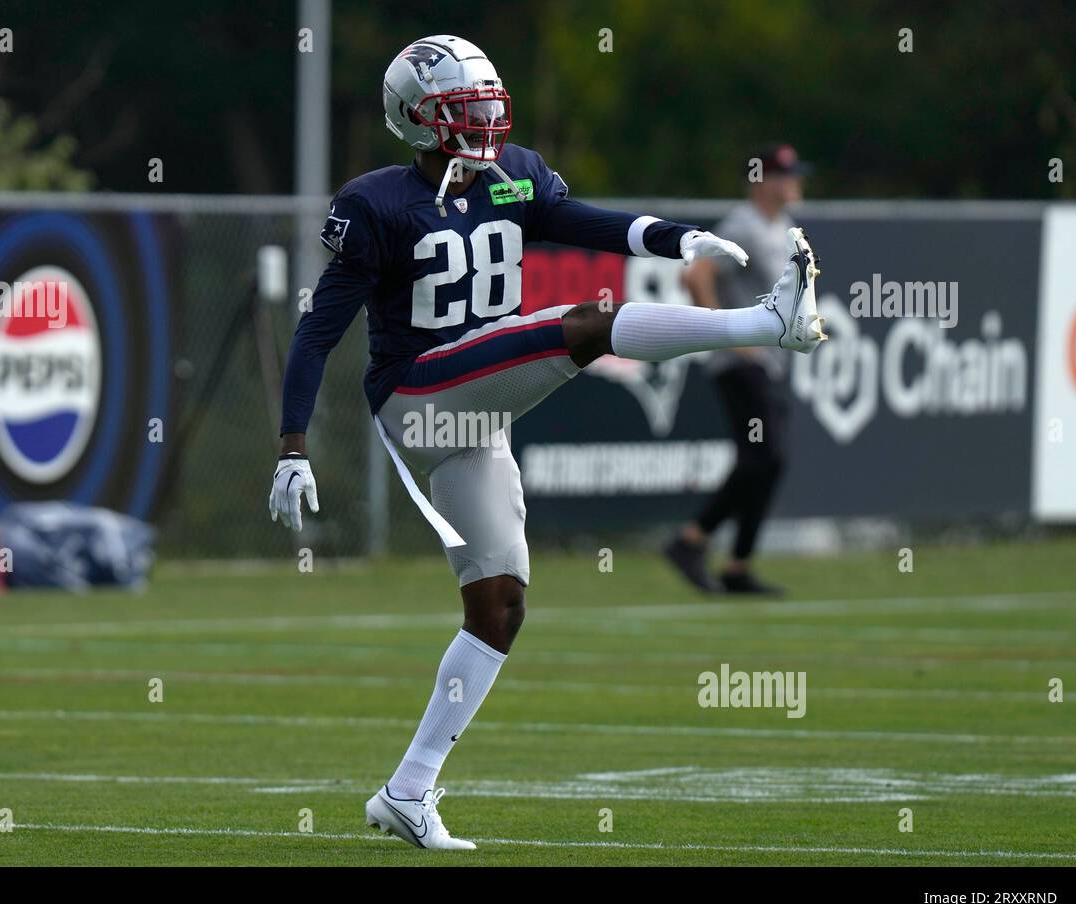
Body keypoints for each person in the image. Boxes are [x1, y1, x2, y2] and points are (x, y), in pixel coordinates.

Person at [268, 37, 825, 850]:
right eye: (463, 109)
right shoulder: (376, 204)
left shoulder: (514, 173)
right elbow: (318, 333)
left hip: (477, 408)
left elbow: (578, 221)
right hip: (419, 396)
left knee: (501, 604)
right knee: (581, 327)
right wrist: (291, 445)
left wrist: (675, 238)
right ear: (416, 122)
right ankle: (765, 324)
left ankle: (408, 790)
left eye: (487, 103)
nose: (483, 121)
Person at [667, 144, 813, 596]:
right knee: (765, 457)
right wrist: (728, 333)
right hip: (740, 363)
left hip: (768, 361)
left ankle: (736, 565)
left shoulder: (781, 226)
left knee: (767, 463)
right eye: (783, 175)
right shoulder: (742, 225)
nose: (794, 182)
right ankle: (691, 541)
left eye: (794, 174)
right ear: (760, 180)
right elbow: (694, 275)